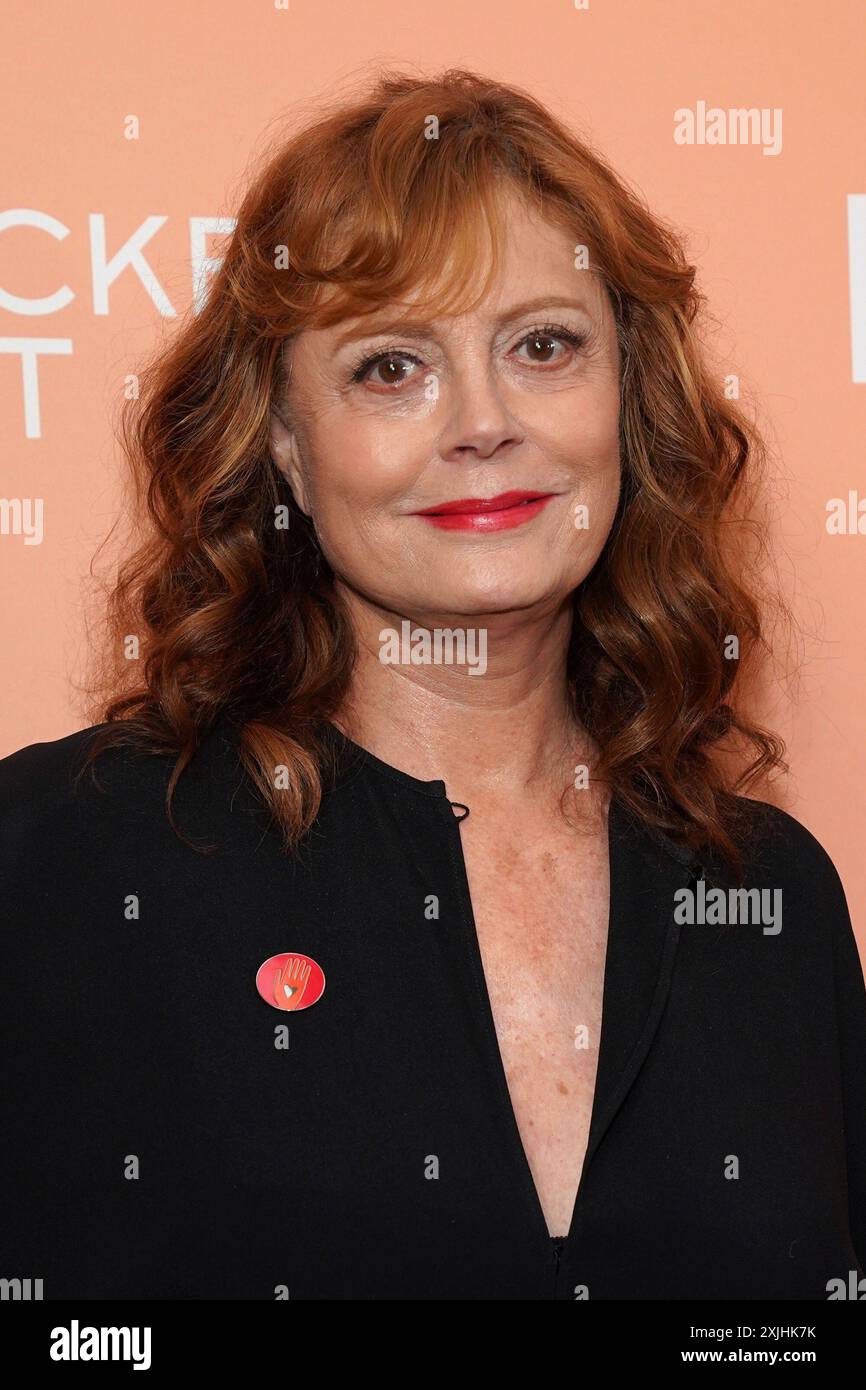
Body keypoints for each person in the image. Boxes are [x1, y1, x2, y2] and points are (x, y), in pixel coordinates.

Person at [1, 68, 863, 1301]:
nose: (481, 421)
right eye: (390, 367)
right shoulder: (67, 858)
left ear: (627, 397)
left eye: (543, 345)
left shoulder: (764, 890)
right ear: (285, 444)